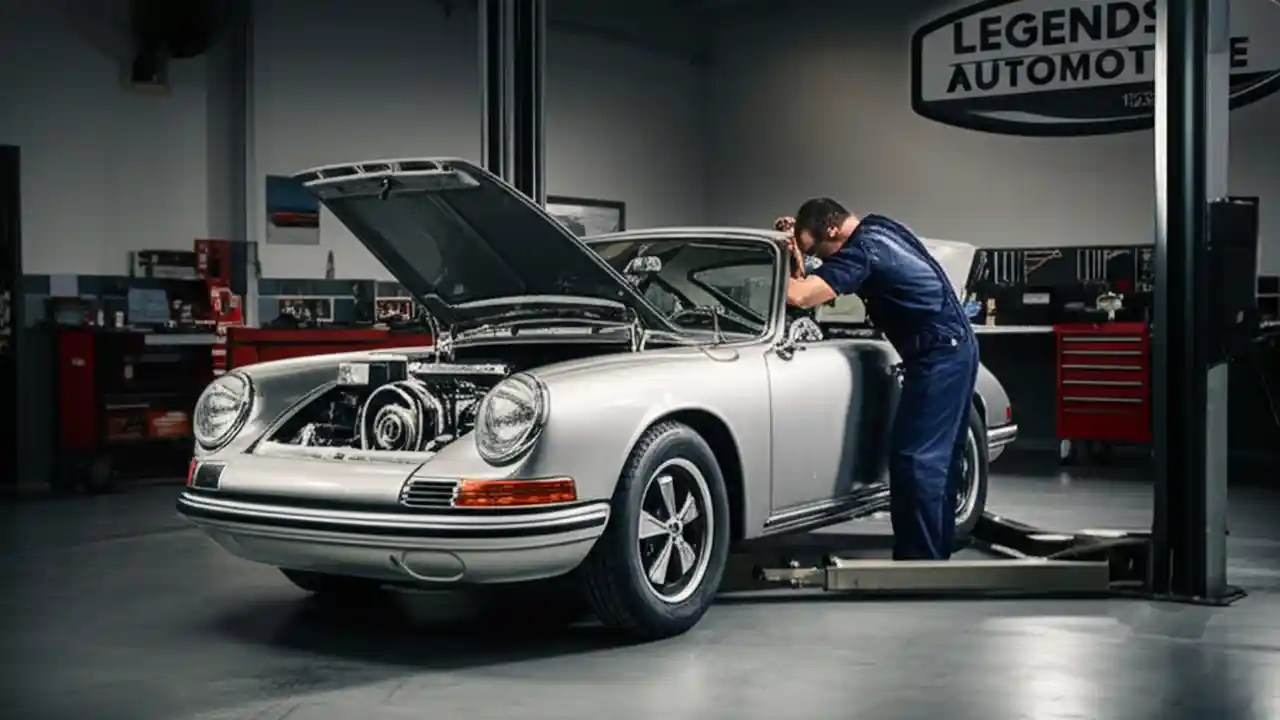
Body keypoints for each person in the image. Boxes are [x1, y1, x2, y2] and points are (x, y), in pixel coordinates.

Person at [777, 199, 979, 560]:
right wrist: (800, 246)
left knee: (916, 459)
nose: (821, 261)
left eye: (818, 251)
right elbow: (811, 279)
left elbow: (800, 295)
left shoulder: (862, 254)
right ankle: (936, 552)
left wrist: (789, 251)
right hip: (954, 344)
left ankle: (920, 564)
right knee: (943, 457)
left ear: (833, 230)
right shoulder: (880, 227)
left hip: (939, 353)